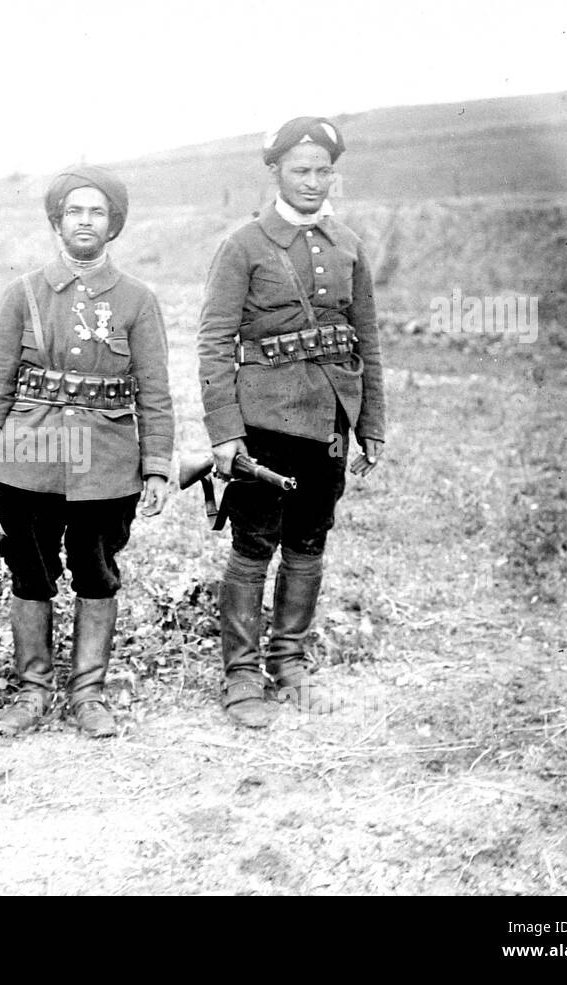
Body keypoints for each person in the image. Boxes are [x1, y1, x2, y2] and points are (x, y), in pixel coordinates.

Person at [0, 164, 175, 738]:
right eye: (74, 211)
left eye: (97, 212)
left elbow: (155, 392)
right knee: (30, 574)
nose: (85, 221)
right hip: (29, 457)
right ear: (57, 222)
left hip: (106, 464)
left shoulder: (137, 300)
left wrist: (157, 466)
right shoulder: (23, 293)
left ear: (113, 225)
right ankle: (32, 691)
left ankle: (88, 695)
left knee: (97, 574)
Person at [196, 117, 386, 726]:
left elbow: (366, 339)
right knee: (254, 545)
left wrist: (371, 422)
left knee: (309, 541)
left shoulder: (347, 244)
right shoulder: (243, 246)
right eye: (300, 170)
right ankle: (241, 676)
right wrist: (225, 432)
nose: (312, 181)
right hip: (264, 424)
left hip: (329, 420)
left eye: (323, 171)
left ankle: (289, 665)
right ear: (276, 170)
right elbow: (214, 343)